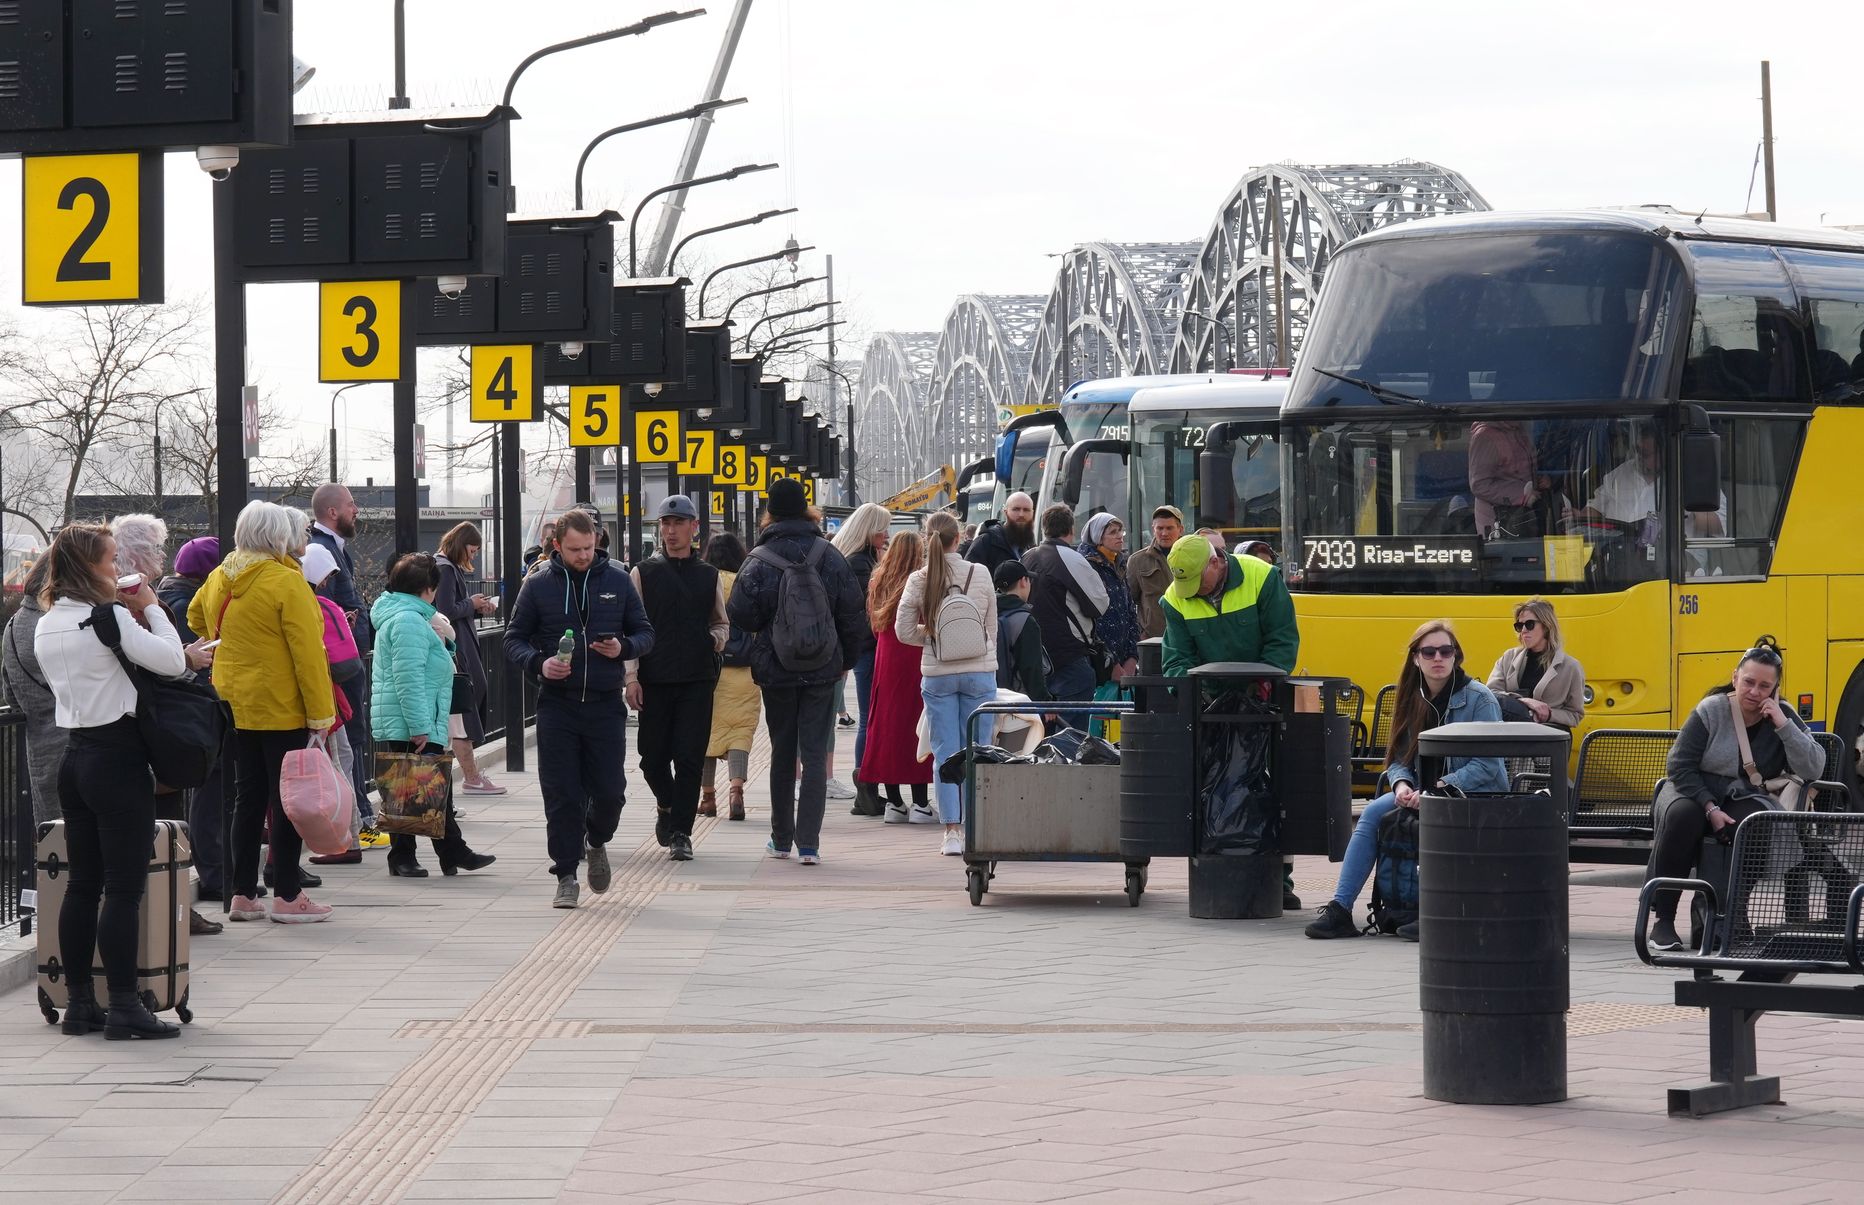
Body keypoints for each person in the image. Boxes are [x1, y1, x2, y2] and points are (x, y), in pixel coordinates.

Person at [35, 524, 189, 1038]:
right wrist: (150, 606)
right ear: (89, 566)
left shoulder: (47, 621)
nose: (116, 565)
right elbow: (169, 660)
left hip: (74, 758)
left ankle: (80, 1002)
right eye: (109, 558)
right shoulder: (109, 615)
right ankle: (124, 1004)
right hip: (116, 759)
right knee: (124, 889)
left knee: (82, 885)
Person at [1305, 621, 1508, 941]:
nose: (1438, 657)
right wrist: (1401, 786)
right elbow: (1399, 759)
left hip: (1475, 795)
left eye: (1446, 651)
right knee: (1373, 813)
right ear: (1416, 658)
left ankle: (1435, 914)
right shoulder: (1410, 696)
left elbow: (1488, 765)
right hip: (1423, 791)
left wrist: (1437, 787)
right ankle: (1340, 909)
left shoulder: (1479, 699)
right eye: (1429, 651)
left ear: (1457, 656)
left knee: (1437, 816)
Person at [190, 502, 338, 925]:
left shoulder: (222, 575)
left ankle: (242, 893)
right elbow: (309, 655)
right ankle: (288, 896)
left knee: (246, 797)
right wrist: (320, 714)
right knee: (288, 801)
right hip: (281, 705)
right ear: (278, 537)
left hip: (234, 702)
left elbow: (195, 615)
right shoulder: (286, 582)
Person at [505, 507, 652, 907]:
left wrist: (624, 647)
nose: (584, 555)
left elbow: (645, 633)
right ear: (557, 546)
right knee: (561, 793)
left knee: (611, 793)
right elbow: (513, 638)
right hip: (557, 705)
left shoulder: (619, 581)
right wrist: (539, 663)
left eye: (589, 547)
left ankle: (597, 838)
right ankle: (566, 873)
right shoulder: (537, 585)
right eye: (575, 549)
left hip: (605, 704)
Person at [1643, 638, 1824, 952]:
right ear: (1735, 678)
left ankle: (1730, 917)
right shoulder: (1712, 709)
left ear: (1775, 689)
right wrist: (1709, 806)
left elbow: (1814, 767)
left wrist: (1783, 725)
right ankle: (1664, 921)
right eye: (1749, 682)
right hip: (1691, 787)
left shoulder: (1783, 715)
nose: (1754, 692)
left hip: (1741, 794)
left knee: (1755, 823)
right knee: (1683, 817)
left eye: (1764, 686)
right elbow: (1679, 765)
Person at [727, 477, 867, 865]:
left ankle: (781, 839)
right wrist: (844, 661)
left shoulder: (759, 559)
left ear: (769, 512)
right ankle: (810, 845)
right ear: (808, 509)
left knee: (783, 752)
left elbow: (739, 613)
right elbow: (854, 613)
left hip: (777, 669)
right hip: (823, 668)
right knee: (816, 752)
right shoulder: (830, 555)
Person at [1160, 532, 1303, 907]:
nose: (1191, 592)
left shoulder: (1262, 577)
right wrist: (1198, 696)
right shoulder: (1176, 597)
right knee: (1213, 788)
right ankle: (1215, 864)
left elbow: (1282, 640)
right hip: (1211, 710)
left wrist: (1260, 688)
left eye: (1196, 582)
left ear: (1216, 562)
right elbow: (1176, 659)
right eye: (1183, 584)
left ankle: (1279, 880)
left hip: (1263, 705)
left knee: (1273, 788)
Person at [114, 514, 224, 934]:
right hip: (152, 728)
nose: (163, 556)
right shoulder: (135, 603)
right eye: (155, 548)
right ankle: (170, 909)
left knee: (163, 821)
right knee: (162, 822)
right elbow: (154, 661)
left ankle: (173, 907)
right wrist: (187, 658)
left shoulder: (142, 599)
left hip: (151, 726)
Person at [372, 553, 495, 879]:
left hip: (411, 717)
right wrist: (420, 727)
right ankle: (408, 856)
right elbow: (408, 678)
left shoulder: (407, 615)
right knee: (407, 787)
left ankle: (448, 852)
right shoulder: (408, 621)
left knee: (428, 786)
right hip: (410, 720)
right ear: (427, 588)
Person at [625, 497, 727, 863]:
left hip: (697, 680)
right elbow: (633, 628)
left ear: (693, 527)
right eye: (665, 523)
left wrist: (712, 641)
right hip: (654, 679)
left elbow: (721, 623)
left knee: (689, 758)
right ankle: (667, 805)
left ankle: (682, 832)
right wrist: (631, 677)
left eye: (677, 523)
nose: (669, 530)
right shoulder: (643, 573)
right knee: (651, 758)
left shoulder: (707, 574)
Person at [897, 511, 998, 856]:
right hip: (979, 672)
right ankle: (978, 824)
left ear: (928, 540)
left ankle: (951, 831)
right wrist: (980, 651)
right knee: (979, 749)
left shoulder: (919, 579)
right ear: (959, 539)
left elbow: (902, 630)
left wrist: (934, 638)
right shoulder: (980, 573)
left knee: (944, 752)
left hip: (938, 673)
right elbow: (991, 626)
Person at [154, 536, 240, 901]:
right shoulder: (186, 603)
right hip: (197, 708)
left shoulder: (167, 596)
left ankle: (213, 870)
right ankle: (216, 872)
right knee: (215, 789)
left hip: (183, 712)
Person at [308, 483, 375, 838]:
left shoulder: (333, 547)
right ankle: (359, 819)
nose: (356, 510)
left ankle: (360, 815)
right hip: (340, 665)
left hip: (346, 659)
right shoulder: (322, 550)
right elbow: (325, 606)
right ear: (333, 512)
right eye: (351, 504)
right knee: (350, 739)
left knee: (353, 739)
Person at [862, 529, 935, 825]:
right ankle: (920, 803)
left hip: (886, 655)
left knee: (887, 724)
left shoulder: (878, 579)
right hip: (914, 654)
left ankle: (894, 803)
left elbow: (873, 621)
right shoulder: (921, 580)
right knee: (916, 724)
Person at [1578, 423, 1727, 559]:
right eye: (1638, 451)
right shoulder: (1621, 473)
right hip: (1619, 561)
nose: (1639, 458)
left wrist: (1689, 495)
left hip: (1673, 566)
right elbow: (1595, 507)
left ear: (1666, 452)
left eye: (1646, 454)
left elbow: (1718, 528)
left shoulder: (1694, 480)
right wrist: (1580, 517)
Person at [831, 503, 891, 817]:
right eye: (882, 528)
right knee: (868, 718)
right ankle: (865, 786)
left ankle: (866, 786)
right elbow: (863, 610)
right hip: (867, 648)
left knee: (869, 717)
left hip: (862, 647)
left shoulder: (856, 558)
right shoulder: (860, 563)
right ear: (868, 529)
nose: (886, 534)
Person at [436, 523, 503, 796]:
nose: (472, 557)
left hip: (457, 644)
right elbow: (446, 610)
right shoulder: (446, 569)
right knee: (462, 714)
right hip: (458, 649)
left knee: (459, 716)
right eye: (472, 551)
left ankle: (461, 784)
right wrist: (472, 604)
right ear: (461, 544)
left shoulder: (443, 566)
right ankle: (470, 779)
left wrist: (475, 608)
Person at [3, 557, 68, 827]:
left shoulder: (13, 625)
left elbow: (10, 693)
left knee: (54, 843)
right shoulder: (55, 624)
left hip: (39, 749)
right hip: (78, 743)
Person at [1022, 504, 1108, 702]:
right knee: (1072, 729)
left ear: (1044, 528)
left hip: (1034, 657)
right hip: (1068, 656)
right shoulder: (1072, 558)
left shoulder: (1027, 557)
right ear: (1072, 529)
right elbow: (1099, 605)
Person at [702, 533, 758, 823]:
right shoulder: (746, 582)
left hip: (713, 668)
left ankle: (708, 797)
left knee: (707, 732)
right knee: (740, 731)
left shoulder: (707, 581)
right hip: (746, 671)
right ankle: (736, 791)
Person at [1486, 598, 1586, 729]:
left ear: (1546, 626)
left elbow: (1575, 715)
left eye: (1529, 624)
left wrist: (1548, 714)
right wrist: (1524, 701)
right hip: (1512, 733)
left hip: (1548, 734)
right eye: (1519, 626)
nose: (1523, 630)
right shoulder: (1508, 657)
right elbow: (1490, 695)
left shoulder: (1571, 667)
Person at [1078, 513, 1140, 683]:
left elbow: (1130, 611)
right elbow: (1092, 619)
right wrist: (1110, 663)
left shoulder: (1119, 563)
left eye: (1121, 531)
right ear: (1098, 537)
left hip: (1125, 661)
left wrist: (1132, 657)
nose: (1120, 536)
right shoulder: (1087, 566)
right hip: (1101, 665)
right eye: (1113, 532)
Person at [1468, 419, 1548, 538]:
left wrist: (1539, 480)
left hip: (1523, 515)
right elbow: (1479, 485)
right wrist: (1522, 494)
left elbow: (1519, 468)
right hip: (1499, 522)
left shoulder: (1518, 428)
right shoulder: (1485, 437)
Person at [993, 561, 1052, 708]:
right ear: (1023, 582)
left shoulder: (988, 612)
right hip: (1020, 701)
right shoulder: (1024, 620)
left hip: (991, 697)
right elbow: (1031, 668)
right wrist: (1044, 702)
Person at [1126, 504, 1183, 640]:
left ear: (1180, 529)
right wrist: (1140, 633)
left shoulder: (1194, 557)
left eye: (1169, 528)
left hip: (1189, 637)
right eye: (1160, 528)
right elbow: (1128, 603)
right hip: (1154, 639)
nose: (1164, 533)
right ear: (1153, 529)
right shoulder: (1137, 561)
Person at [965, 490, 1036, 574]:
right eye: (1016, 509)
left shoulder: (1032, 546)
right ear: (1006, 512)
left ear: (1032, 513)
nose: (1021, 514)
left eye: (1026, 510)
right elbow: (969, 575)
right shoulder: (986, 541)